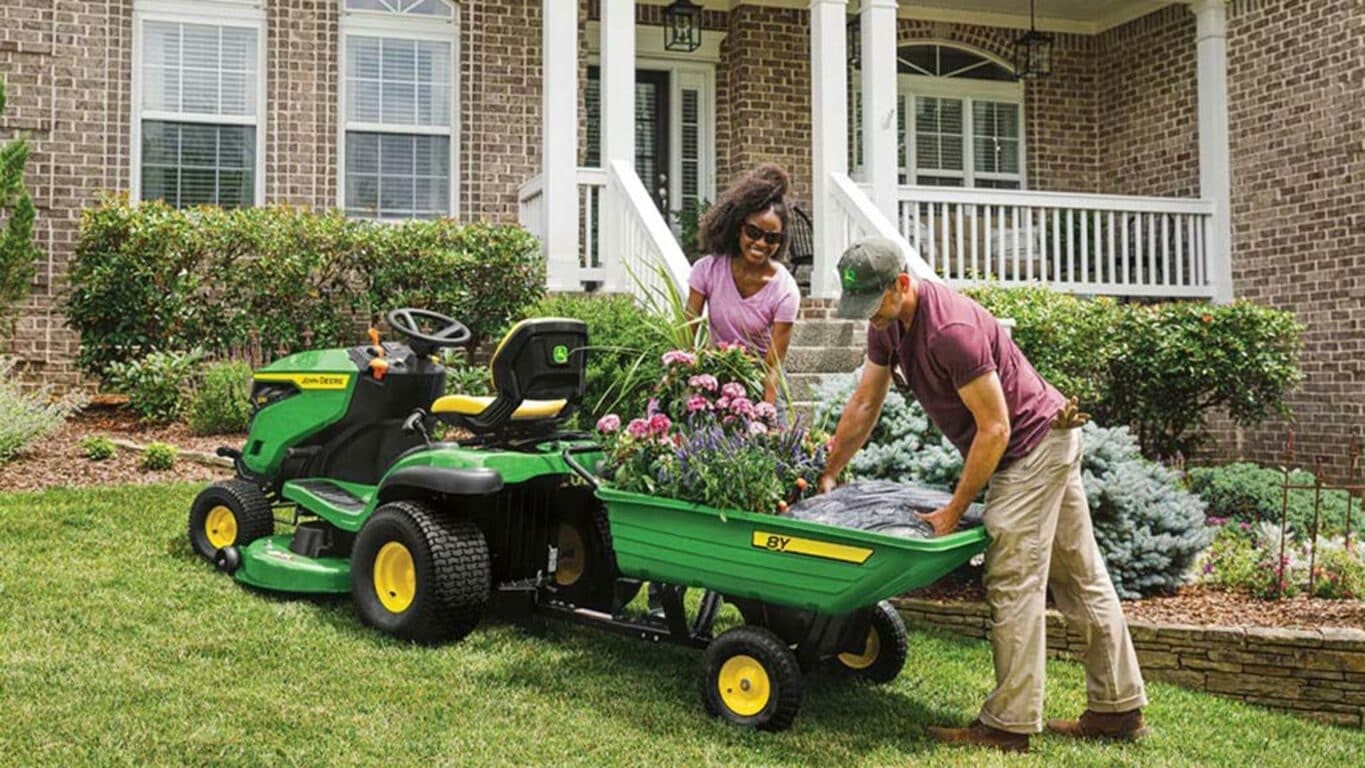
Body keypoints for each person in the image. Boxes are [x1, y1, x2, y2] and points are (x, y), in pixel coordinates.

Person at [816, 238, 1148, 754]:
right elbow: (864, 401)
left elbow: (995, 428)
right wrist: (831, 470)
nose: (871, 319)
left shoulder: (952, 331)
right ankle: (1117, 709)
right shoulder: (888, 326)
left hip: (1032, 445)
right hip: (1045, 438)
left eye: (875, 305)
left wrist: (953, 510)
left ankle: (1009, 726)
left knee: (1013, 578)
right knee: (1079, 575)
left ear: (902, 284)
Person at [686, 164, 802, 405]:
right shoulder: (707, 270)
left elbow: (772, 368)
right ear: (738, 228)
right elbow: (685, 338)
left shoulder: (785, 291)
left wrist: (764, 417)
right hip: (716, 377)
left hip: (759, 380)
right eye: (753, 232)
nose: (761, 243)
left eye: (772, 238)